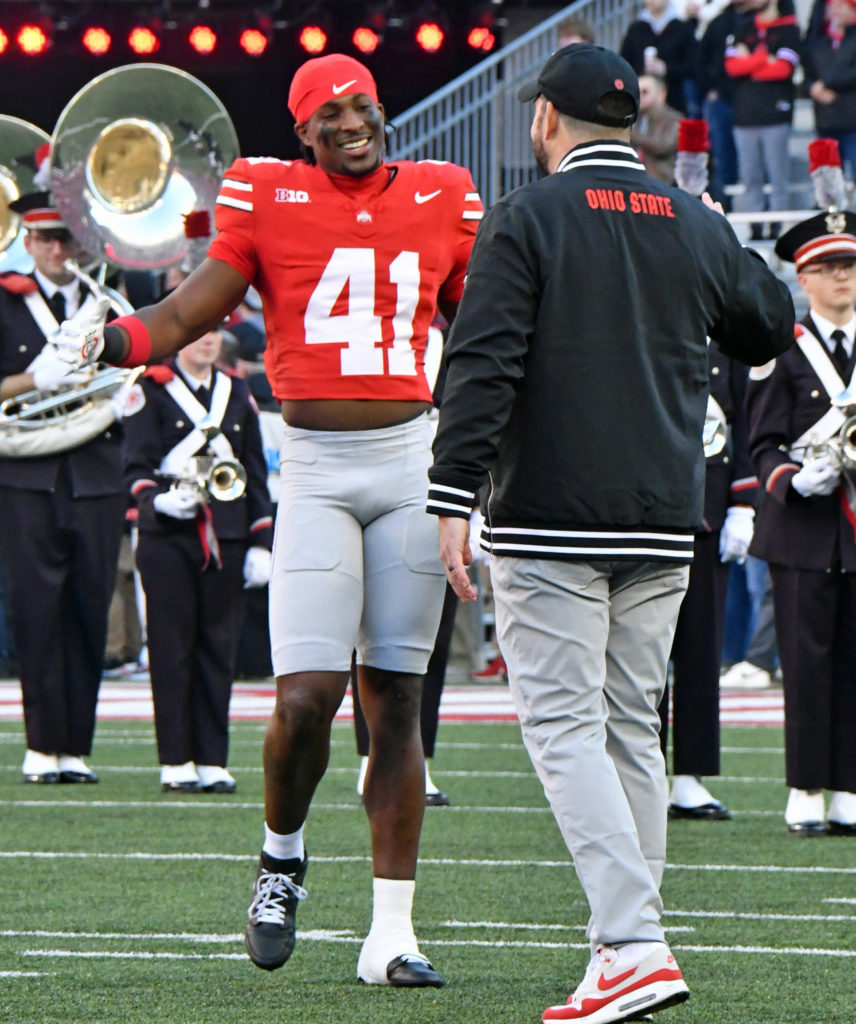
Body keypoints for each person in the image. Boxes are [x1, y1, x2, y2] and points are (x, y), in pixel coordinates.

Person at [56, 53, 482, 986]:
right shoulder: (265, 194)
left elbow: (484, 329)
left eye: (361, 104)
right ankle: (280, 858)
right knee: (305, 697)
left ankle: (392, 932)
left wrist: (484, 459)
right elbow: (189, 310)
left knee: (399, 701)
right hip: (321, 469)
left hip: (413, 458)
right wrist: (113, 341)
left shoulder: (447, 194)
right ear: (301, 132)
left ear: (382, 108)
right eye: (328, 114)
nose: (350, 122)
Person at [428, 43, 793, 1023]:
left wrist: (449, 492)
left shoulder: (527, 214)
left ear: (544, 120)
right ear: (628, 123)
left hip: (551, 509)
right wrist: (718, 241)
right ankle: (620, 947)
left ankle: (630, 942)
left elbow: (484, 365)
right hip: (664, 512)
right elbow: (768, 324)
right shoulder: (687, 219)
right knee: (633, 724)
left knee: (561, 725)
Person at [0, 191, 126, 785]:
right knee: (36, 610)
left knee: (88, 608)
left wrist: (132, 391)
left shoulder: (109, 306)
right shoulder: (4, 302)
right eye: (46, 239)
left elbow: (143, 360)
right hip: (28, 475)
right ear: (26, 242)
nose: (57, 250)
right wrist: (33, 379)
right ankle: (41, 746)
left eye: (67, 239)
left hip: (96, 475)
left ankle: (76, 746)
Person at [747, 181, 856, 836]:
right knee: (806, 661)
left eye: (849, 265)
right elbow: (758, 442)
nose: (842, 277)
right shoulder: (782, 347)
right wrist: (793, 478)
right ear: (802, 274)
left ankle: (849, 788)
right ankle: (804, 789)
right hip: (804, 531)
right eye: (827, 267)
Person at [121, 325, 273, 793]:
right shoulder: (150, 388)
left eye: (214, 332)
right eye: (197, 332)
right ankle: (175, 760)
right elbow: (133, 465)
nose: (206, 340)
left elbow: (255, 470)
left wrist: (261, 540)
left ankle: (211, 757)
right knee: (171, 648)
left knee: (218, 648)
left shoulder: (237, 389)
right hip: (168, 533)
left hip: (226, 536)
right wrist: (156, 502)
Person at [661, 345, 756, 819]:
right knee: (645, 653)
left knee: (701, 647)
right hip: (649, 506)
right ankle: (645, 769)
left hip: (710, 509)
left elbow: (745, 420)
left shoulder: (726, 338)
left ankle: (690, 775)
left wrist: (743, 501)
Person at [724, 0, 800, 240]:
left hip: (776, 114)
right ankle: (756, 227)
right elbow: (732, 67)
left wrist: (750, 62)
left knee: (778, 175)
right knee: (749, 175)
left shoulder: (790, 28)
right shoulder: (742, 27)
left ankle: (777, 226)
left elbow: (783, 69)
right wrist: (763, 58)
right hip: (745, 115)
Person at [802, 0, 856, 181]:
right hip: (826, 120)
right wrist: (813, 87)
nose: (835, 11)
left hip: (852, 119)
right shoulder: (819, 43)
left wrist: (825, 83)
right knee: (829, 178)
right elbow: (808, 73)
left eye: (841, 6)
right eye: (832, 7)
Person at [620, 0, 698, 114]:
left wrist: (666, 68)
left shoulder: (682, 28)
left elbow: (693, 65)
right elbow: (624, 63)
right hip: (640, 104)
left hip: (674, 101)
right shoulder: (636, 28)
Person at [631, 74, 682, 183]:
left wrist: (628, 133)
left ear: (661, 95)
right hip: (634, 182)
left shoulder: (675, 119)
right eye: (636, 92)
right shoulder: (634, 117)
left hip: (662, 184)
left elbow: (662, 145)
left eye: (645, 92)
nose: (639, 96)